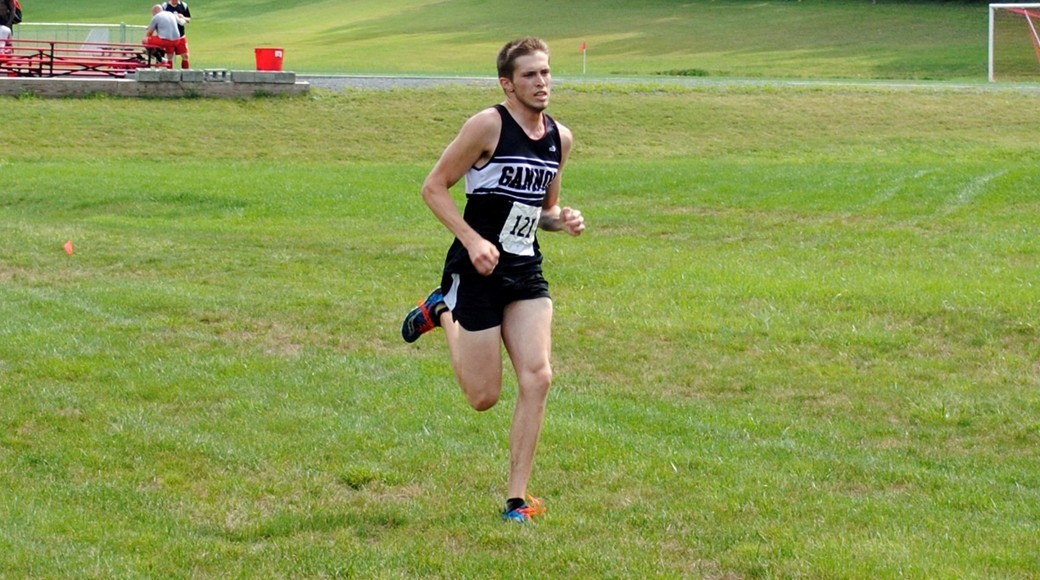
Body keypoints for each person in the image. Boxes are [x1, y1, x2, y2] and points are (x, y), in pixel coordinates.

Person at [400, 37, 586, 524]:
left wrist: (562, 219)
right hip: (475, 271)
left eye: (545, 72)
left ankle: (516, 501)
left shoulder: (559, 139)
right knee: (483, 398)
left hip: (524, 271)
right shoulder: (488, 126)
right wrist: (471, 239)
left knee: (539, 376)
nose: (542, 82)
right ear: (507, 83)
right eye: (530, 75)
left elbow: (542, 212)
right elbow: (433, 187)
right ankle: (441, 309)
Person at [143, 4, 189, 69]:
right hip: (177, 39)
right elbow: (182, 22)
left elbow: (149, 33)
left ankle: (160, 58)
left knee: (145, 40)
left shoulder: (156, 17)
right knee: (174, 56)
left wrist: (148, 48)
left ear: (155, 12)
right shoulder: (171, 14)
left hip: (166, 40)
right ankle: (185, 73)